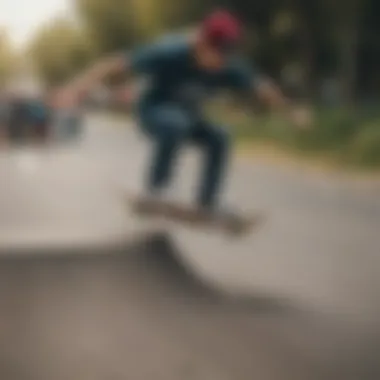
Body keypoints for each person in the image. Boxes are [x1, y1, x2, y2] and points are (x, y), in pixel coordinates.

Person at [54, 10, 311, 216]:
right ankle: (157, 189)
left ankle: (208, 201)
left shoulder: (228, 66)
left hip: (190, 120)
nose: (220, 62)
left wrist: (291, 112)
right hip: (153, 113)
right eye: (217, 54)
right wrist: (74, 89)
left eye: (226, 54)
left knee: (220, 136)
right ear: (201, 43)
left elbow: (262, 88)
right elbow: (111, 64)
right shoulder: (169, 52)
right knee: (174, 122)